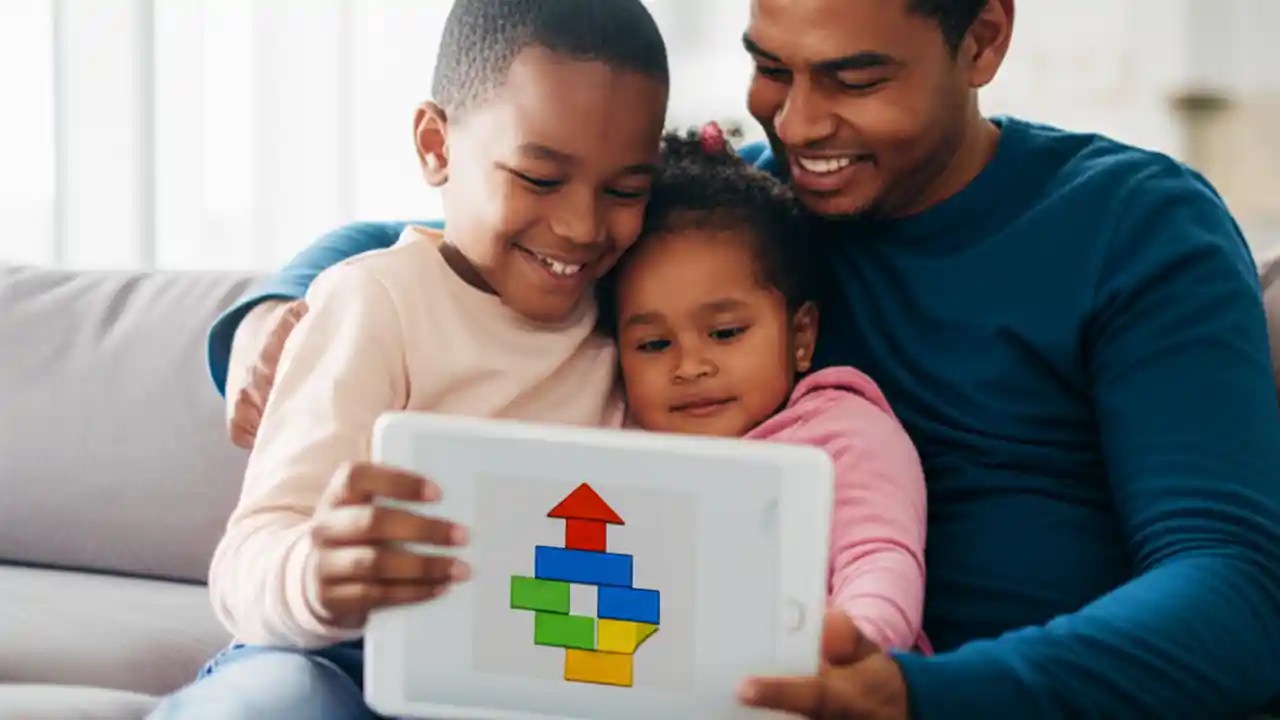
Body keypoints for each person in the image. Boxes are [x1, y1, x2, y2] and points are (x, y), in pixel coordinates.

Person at [212, 0, 1280, 717]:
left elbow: (1234, 593)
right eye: (771, 69)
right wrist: (271, 309)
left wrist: (918, 696)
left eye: (855, 78)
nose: (799, 121)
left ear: (982, 40)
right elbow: (489, 224)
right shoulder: (747, 205)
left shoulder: (1131, 227)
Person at [150, 0, 669, 717]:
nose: (582, 227)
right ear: (436, 146)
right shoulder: (375, 302)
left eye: (625, 191)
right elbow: (249, 557)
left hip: (523, 683)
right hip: (335, 661)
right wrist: (315, 576)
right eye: (539, 179)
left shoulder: (639, 329)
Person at [600, 126, 928, 652]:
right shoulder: (612, 439)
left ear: (801, 336)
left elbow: (879, 557)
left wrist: (854, 644)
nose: (691, 366)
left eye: (725, 333)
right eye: (654, 344)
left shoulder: (843, 436)